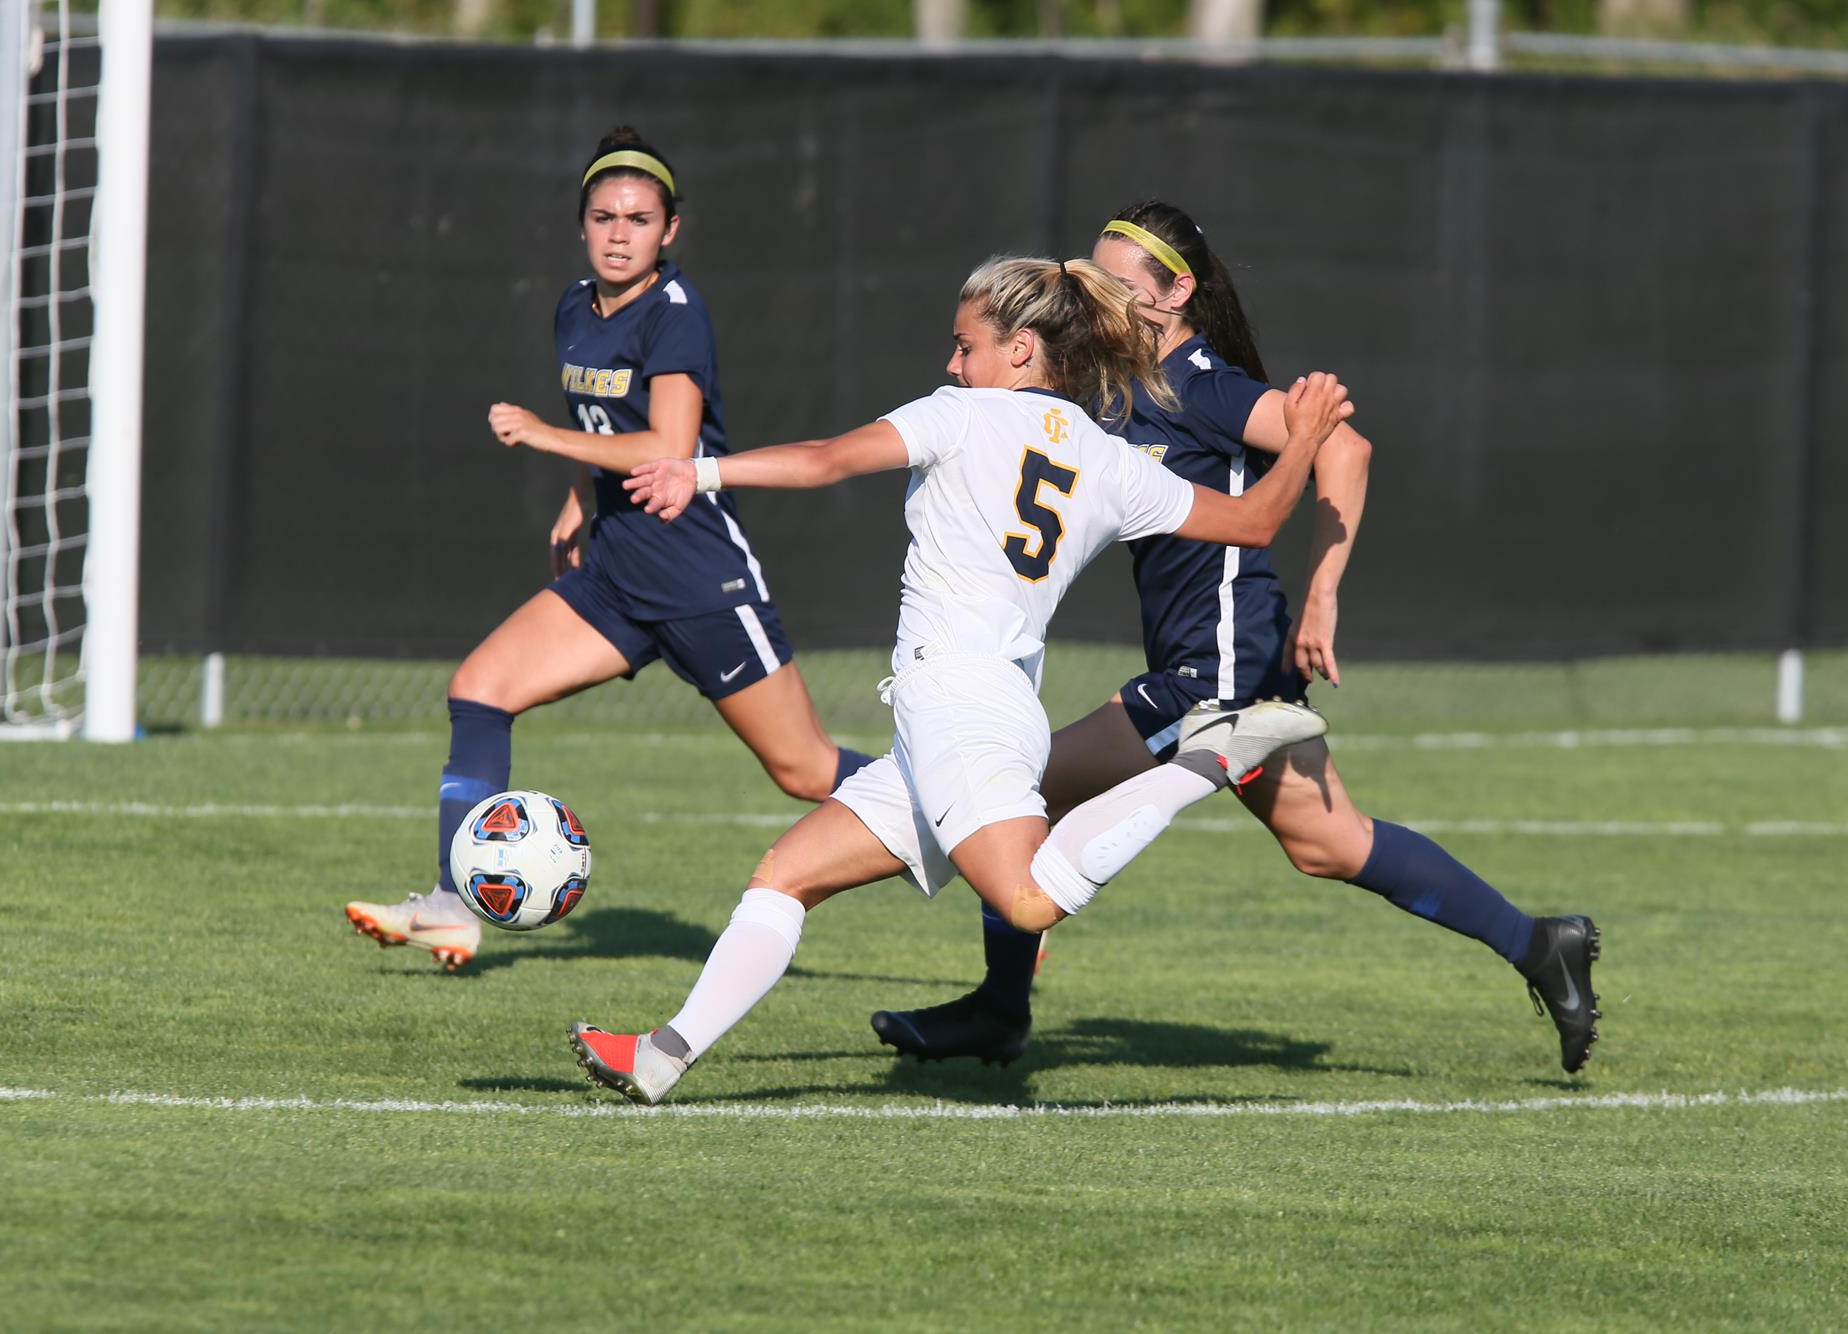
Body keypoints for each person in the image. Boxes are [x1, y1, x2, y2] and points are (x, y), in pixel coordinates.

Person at [566, 256, 1355, 1106]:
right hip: (971, 710)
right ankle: (662, 1055)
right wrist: (1303, 441)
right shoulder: (1104, 453)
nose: (951, 362)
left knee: (1025, 902)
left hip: (959, 706)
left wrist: (702, 470)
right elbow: (1254, 519)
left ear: (1019, 352)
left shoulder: (963, 415)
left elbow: (829, 459)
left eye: (964, 344)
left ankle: (1207, 762)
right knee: (786, 873)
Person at [870, 202, 1601, 1075]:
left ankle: (998, 1011)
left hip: (1213, 669)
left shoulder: (1201, 386)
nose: (1096, 297)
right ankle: (1541, 944)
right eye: (1087, 281)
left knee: (1025, 787)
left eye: (1118, 285)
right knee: (1330, 843)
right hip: (1224, 662)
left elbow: (1346, 448)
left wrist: (1323, 593)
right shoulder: (1116, 388)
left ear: (1177, 293)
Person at [345, 127, 869, 971]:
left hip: (697, 575)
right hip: (617, 576)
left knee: (806, 771)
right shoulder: (574, 307)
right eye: (603, 216)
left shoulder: (675, 316)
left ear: (670, 231)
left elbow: (667, 442)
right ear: (581, 225)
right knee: (479, 689)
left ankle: (978, 826)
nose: (619, 232)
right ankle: (451, 904)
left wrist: (547, 441)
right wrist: (574, 506)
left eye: (639, 218)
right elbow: (607, 430)